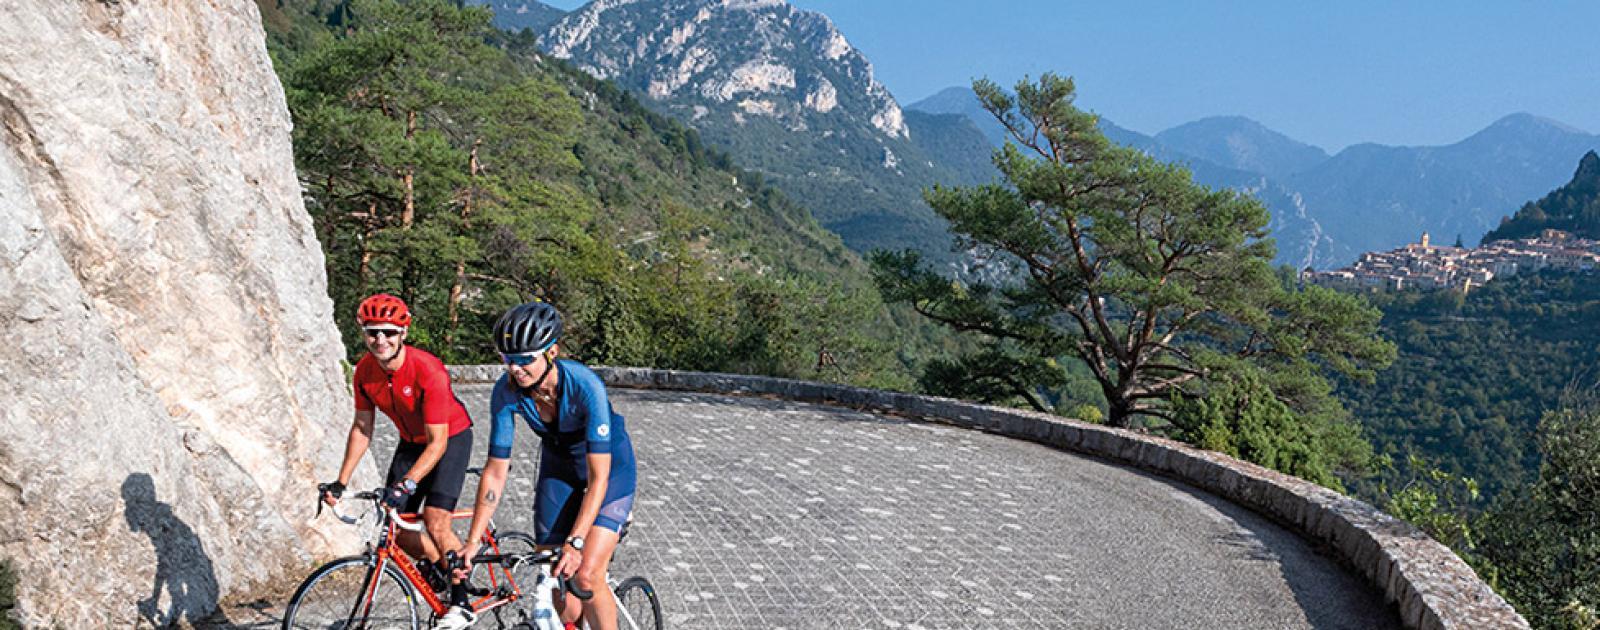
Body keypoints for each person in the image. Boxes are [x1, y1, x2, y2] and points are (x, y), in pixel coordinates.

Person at [459, 301, 638, 630]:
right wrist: (471, 543)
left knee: (585, 576)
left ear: (551, 351)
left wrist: (576, 542)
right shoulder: (506, 393)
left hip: (609, 474)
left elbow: (598, 480)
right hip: (560, 472)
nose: (515, 369)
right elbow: (496, 471)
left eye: (525, 359)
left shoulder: (586, 387)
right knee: (562, 604)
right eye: (508, 359)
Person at [319, 293, 479, 628]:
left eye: (389, 332)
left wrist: (406, 482)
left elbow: (437, 444)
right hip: (411, 443)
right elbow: (363, 428)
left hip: (449, 439)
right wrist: (341, 481)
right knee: (396, 526)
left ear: (403, 333)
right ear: (363, 332)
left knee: (435, 520)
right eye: (373, 332)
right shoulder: (364, 371)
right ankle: (442, 572)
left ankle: (462, 601)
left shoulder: (427, 370)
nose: (381, 340)